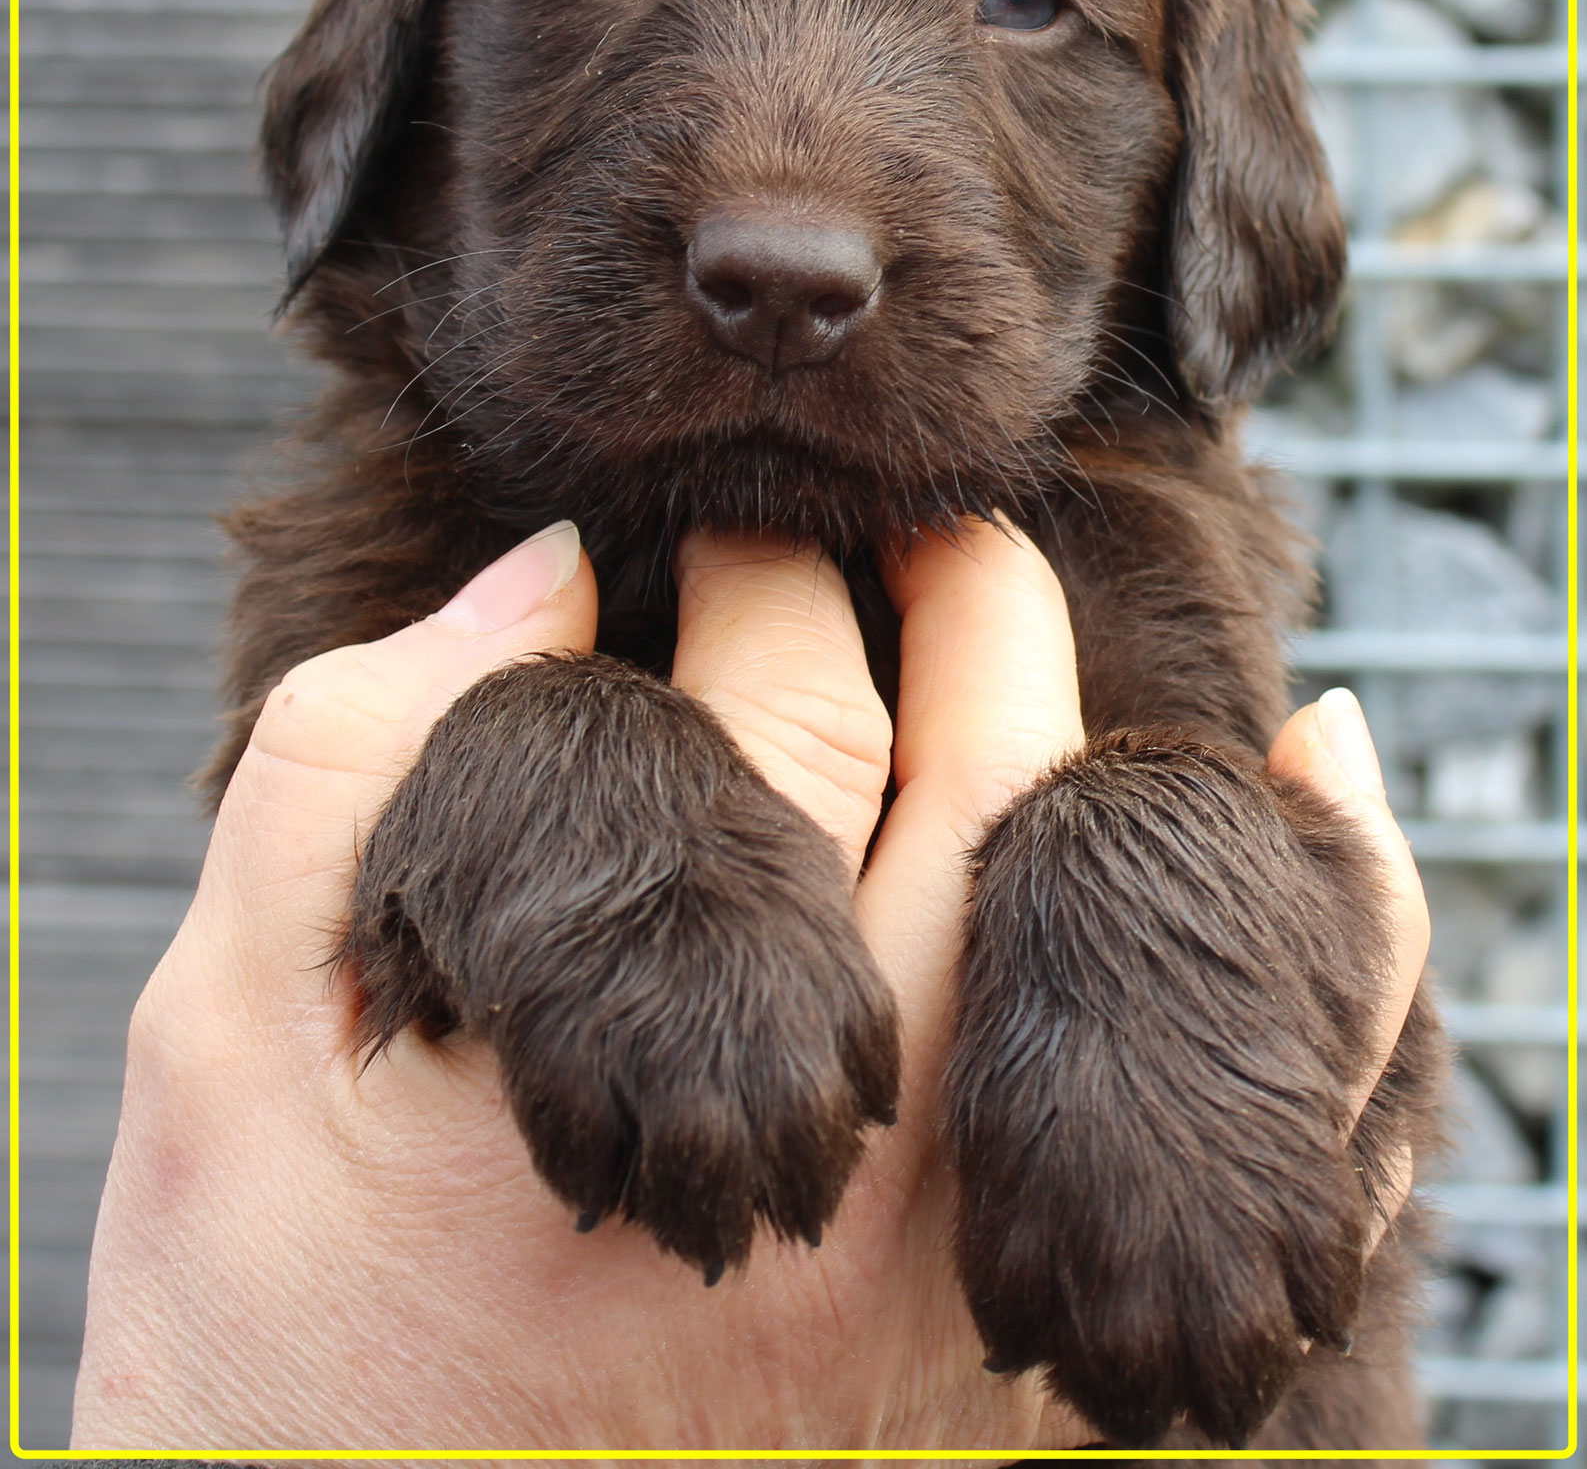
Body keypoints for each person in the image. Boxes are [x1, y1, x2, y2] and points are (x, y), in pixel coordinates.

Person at [70, 517, 1429, 1455]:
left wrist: (1156, 869)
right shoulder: (408, 560)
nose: (779, 239)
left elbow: (1334, 1096)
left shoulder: (1130, 549)